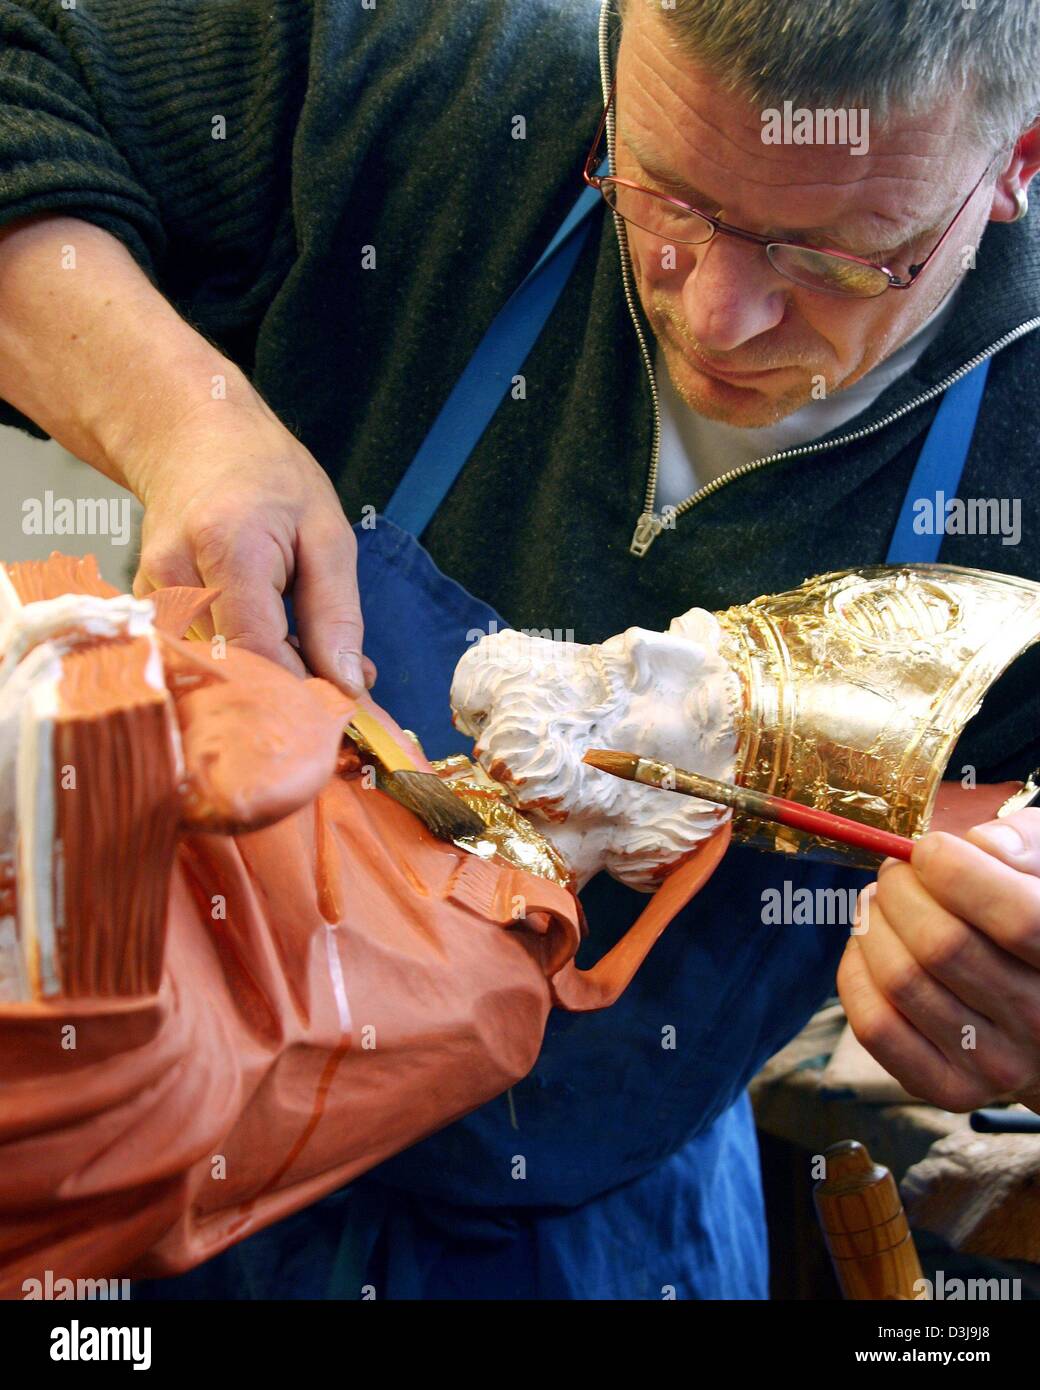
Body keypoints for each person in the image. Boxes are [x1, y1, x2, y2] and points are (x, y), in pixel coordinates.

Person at [0, 0, 1039, 1299]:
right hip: (168, 1137)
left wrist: (1006, 940)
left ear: (1019, 162)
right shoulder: (430, 66)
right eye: (660, 192)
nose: (715, 315)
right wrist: (193, 424)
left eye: (829, 258)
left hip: (583, 1228)